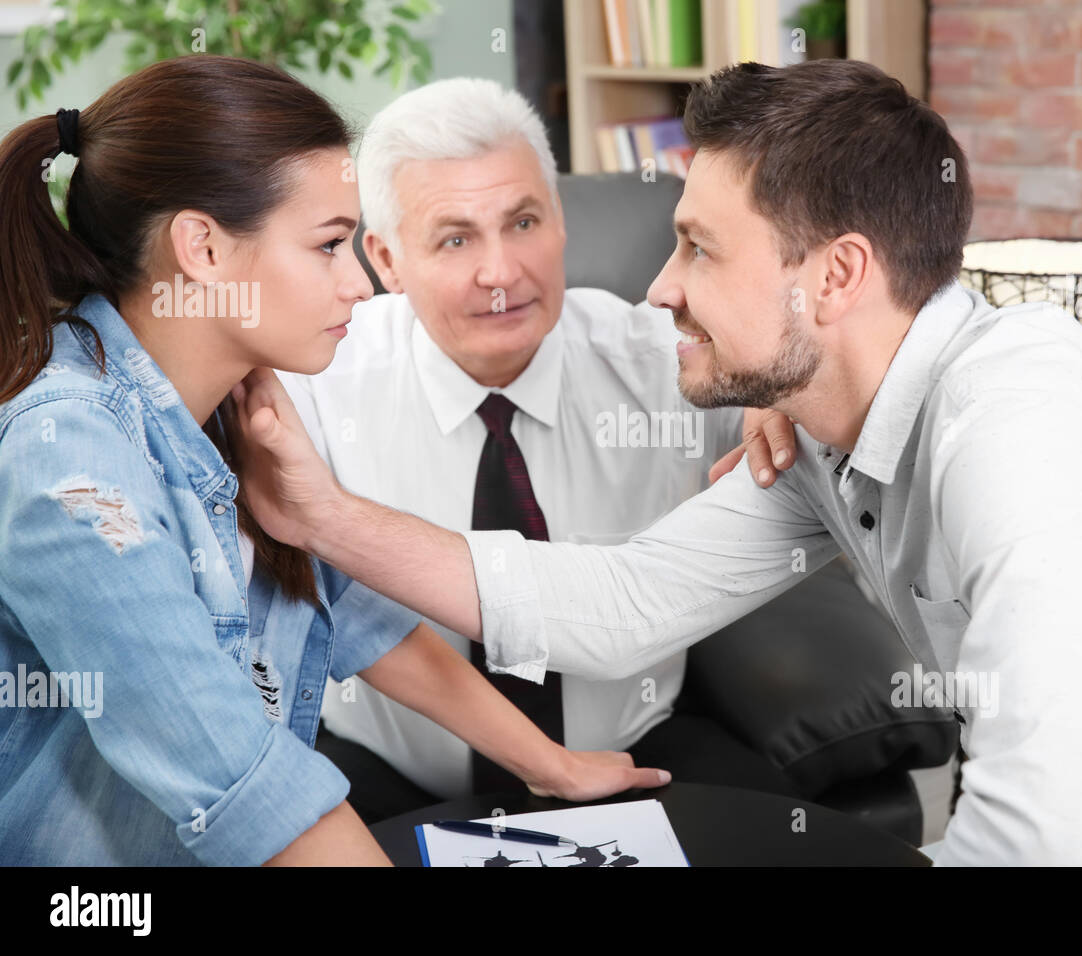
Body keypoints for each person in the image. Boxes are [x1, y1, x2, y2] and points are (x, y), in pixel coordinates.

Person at [231, 58, 1082, 865]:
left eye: (698, 245)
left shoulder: (1024, 432)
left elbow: (1048, 844)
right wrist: (322, 515)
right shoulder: (824, 436)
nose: (658, 287)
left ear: (832, 277)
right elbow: (620, 600)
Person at [0, 55, 666, 868]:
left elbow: (357, 614)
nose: (359, 285)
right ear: (202, 250)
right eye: (328, 246)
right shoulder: (71, 458)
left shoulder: (232, 403)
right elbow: (242, 779)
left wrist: (553, 767)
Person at [279, 76, 803, 822]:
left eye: (523, 222)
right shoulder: (317, 378)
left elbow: (823, 384)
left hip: (636, 746)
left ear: (560, 222)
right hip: (387, 769)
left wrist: (777, 391)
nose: (501, 272)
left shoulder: (673, 359)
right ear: (386, 261)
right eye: (455, 238)